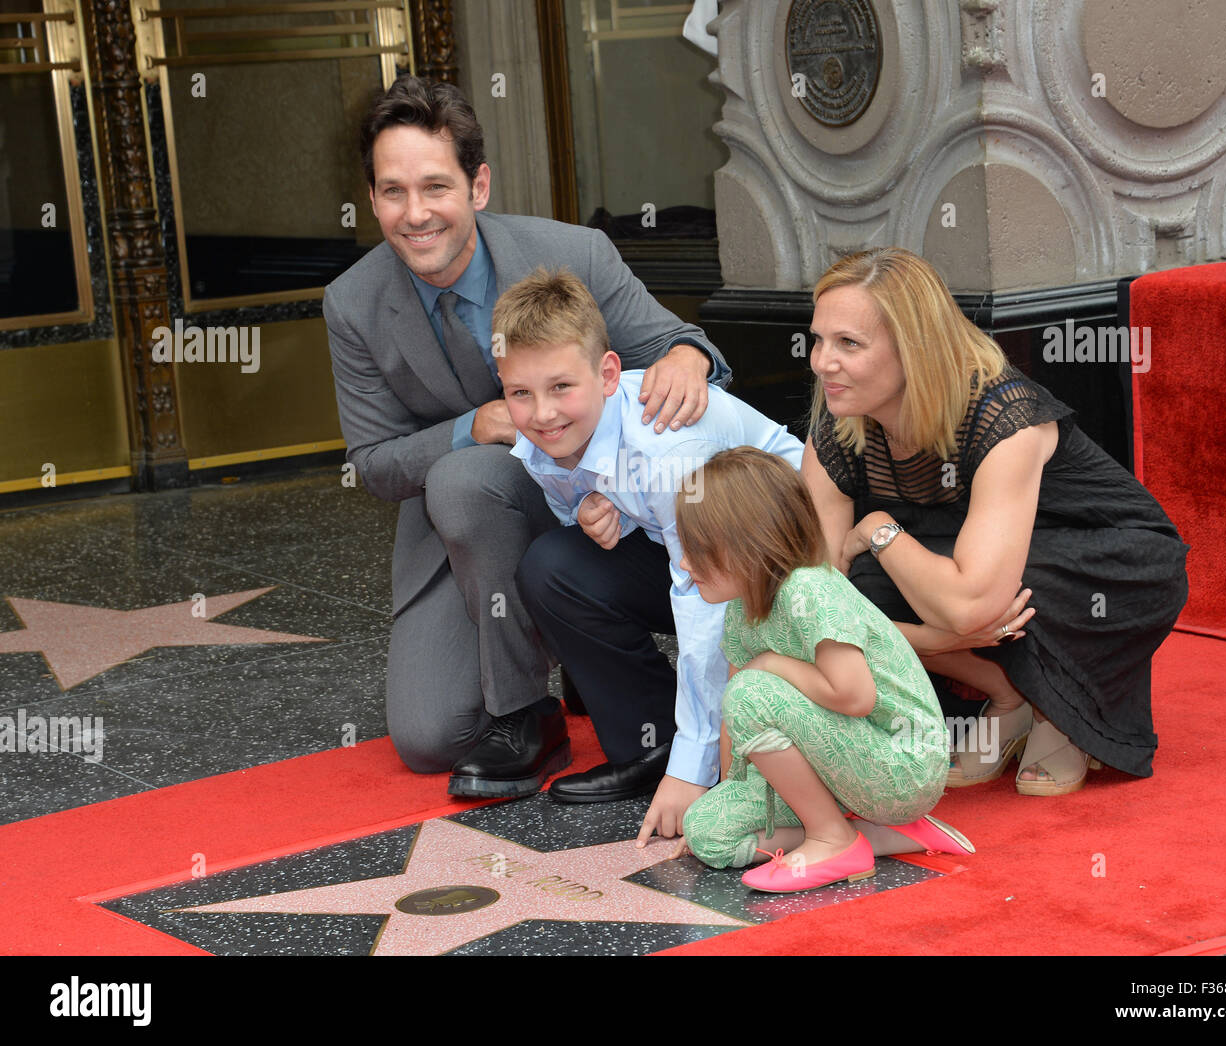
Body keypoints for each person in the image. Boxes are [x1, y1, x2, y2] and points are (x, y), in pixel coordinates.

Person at [323, 76, 731, 797]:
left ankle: (525, 712)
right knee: (428, 739)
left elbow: (682, 343)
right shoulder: (352, 303)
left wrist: (688, 359)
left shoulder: (575, 252)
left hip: (607, 506)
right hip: (471, 528)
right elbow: (376, 467)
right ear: (372, 197)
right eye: (391, 192)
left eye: (435, 187)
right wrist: (470, 426)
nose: (415, 215)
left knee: (463, 478)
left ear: (477, 186)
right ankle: (549, 670)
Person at [802, 247, 1189, 795]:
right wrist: (939, 634)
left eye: (849, 344)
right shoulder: (837, 436)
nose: (822, 361)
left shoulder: (1004, 416)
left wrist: (879, 527)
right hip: (975, 567)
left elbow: (973, 605)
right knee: (860, 584)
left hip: (1108, 562)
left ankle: (1061, 713)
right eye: (818, 339)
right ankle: (1010, 694)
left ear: (914, 350)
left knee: (988, 579)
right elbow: (817, 610)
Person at [497, 269, 803, 846]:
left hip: (784, 560)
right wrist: (586, 504)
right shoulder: (544, 439)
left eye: (562, 387)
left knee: (708, 614)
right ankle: (652, 740)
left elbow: (704, 603)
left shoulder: (669, 450)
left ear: (608, 374)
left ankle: (702, 758)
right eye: (520, 393)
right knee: (551, 566)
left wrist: (696, 768)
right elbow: (578, 511)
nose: (542, 413)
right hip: (688, 554)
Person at [675, 447, 973, 892]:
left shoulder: (809, 589)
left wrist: (773, 664)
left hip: (900, 766)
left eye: (698, 550)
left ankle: (833, 839)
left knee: (751, 690)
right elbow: (736, 726)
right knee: (707, 832)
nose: (685, 563)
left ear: (750, 544)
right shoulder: (742, 607)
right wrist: (728, 794)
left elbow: (856, 697)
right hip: (836, 771)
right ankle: (876, 835)